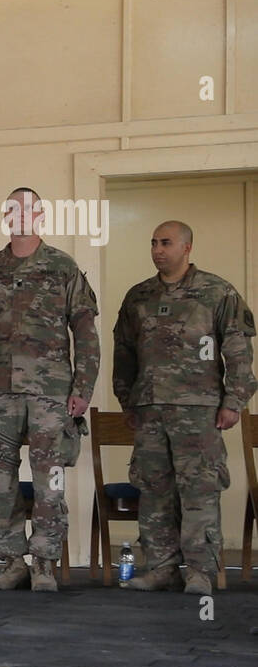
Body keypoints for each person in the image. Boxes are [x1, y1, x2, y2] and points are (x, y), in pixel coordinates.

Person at [0, 187, 99, 591]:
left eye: (28, 209)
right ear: (6, 217)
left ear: (40, 216)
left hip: (51, 393)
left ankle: (45, 564)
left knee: (49, 480)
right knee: (0, 481)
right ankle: (13, 560)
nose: (20, 216)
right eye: (13, 209)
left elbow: (86, 333)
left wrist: (83, 388)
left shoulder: (63, 267)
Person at [113, 220, 256, 595]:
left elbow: (238, 352)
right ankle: (161, 568)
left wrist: (234, 401)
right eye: (154, 243)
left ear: (187, 248)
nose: (158, 249)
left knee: (199, 489)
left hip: (200, 409)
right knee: (153, 488)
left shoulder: (216, 291)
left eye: (166, 242)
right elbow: (124, 353)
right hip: (150, 409)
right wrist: (127, 398)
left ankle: (199, 572)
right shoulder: (138, 296)